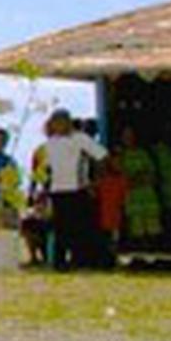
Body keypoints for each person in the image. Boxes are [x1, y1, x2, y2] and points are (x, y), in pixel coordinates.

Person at [39, 110, 107, 270]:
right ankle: (59, 262)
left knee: (78, 227)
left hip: (77, 189)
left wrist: (95, 181)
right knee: (60, 228)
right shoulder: (50, 142)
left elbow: (101, 156)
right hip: (57, 189)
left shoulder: (80, 138)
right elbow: (46, 167)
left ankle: (81, 260)